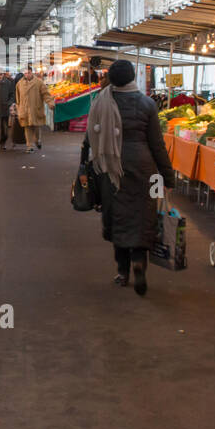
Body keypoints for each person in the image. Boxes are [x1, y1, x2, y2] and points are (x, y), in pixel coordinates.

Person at [81, 59, 172, 296]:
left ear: (110, 78)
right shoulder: (147, 104)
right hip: (145, 168)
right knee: (143, 214)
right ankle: (139, 261)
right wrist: (168, 177)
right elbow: (157, 144)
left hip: (111, 166)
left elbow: (90, 138)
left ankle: (122, 271)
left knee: (117, 216)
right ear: (133, 78)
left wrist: (84, 165)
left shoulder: (100, 103)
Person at [14, 66, 52, 154]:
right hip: (25, 110)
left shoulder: (39, 82)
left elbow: (46, 94)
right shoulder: (19, 84)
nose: (27, 75)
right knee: (27, 127)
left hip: (36, 109)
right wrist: (18, 108)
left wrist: (50, 103)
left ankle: (37, 140)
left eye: (29, 73)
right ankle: (29, 146)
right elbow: (17, 97)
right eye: (25, 73)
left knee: (36, 127)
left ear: (32, 72)